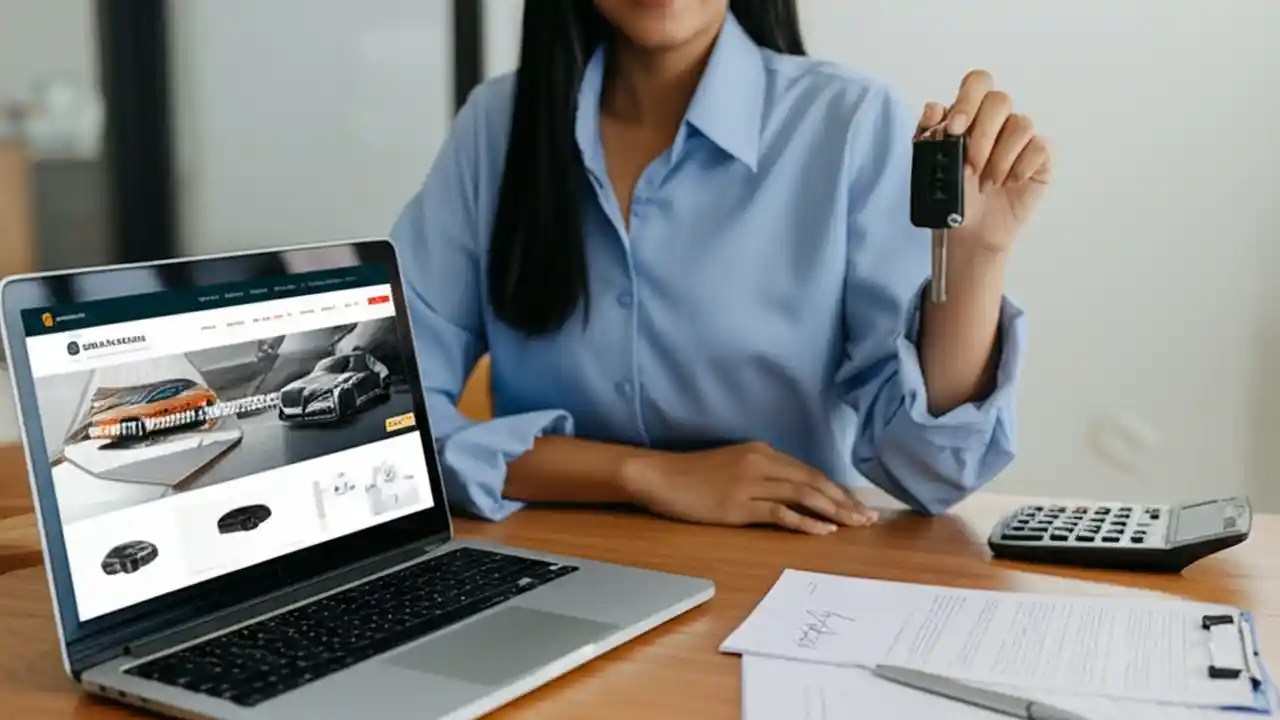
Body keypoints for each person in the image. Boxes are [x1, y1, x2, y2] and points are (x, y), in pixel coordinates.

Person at [390, 0, 1051, 534]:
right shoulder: (497, 126)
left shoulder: (846, 123)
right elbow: (391, 423)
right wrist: (642, 476)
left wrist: (974, 260)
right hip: (545, 561)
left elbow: (933, 472)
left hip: (785, 580)